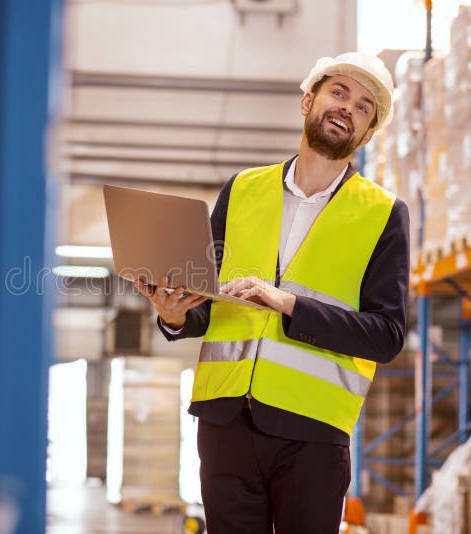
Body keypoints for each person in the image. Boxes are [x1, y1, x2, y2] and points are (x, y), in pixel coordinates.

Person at [134, 51, 410, 533]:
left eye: (364, 107)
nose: (348, 107)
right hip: (224, 422)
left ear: (367, 134)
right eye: (339, 93)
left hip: (313, 434)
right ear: (308, 102)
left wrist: (290, 304)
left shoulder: (383, 213)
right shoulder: (241, 190)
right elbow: (208, 302)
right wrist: (174, 314)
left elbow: (386, 335)